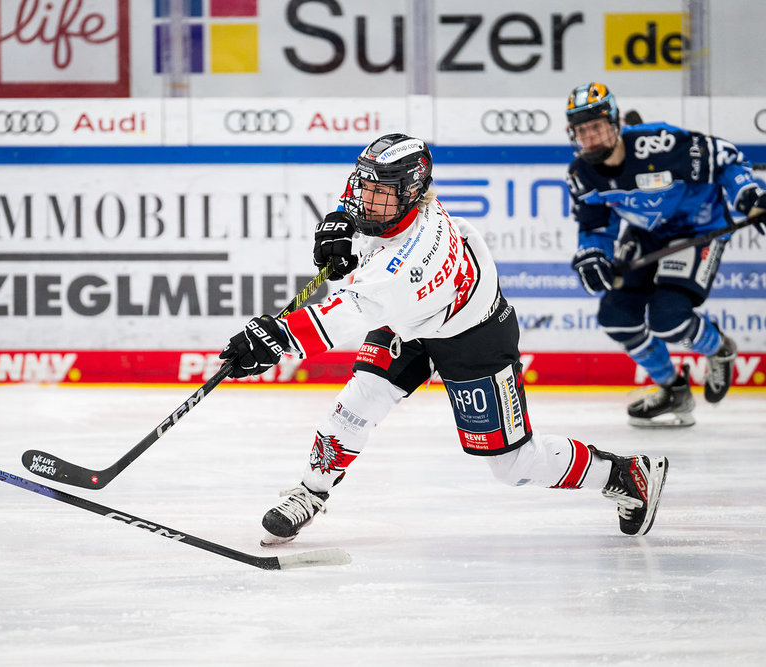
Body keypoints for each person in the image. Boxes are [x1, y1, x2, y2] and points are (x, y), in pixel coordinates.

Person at [218, 133, 669, 547]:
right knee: (359, 400)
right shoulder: (398, 203)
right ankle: (310, 493)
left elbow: (348, 312)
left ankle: (627, 475)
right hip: (411, 321)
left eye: (379, 192)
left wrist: (274, 339)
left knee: (513, 466)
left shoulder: (410, 263)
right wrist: (343, 225)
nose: (365, 199)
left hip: (473, 335)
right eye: (365, 186)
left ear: (411, 192)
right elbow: (361, 205)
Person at [564, 82, 766, 428]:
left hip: (697, 229)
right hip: (647, 234)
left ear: (616, 123)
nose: (591, 137)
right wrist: (593, 253)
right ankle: (673, 390)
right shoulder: (582, 173)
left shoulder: (658, 144)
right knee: (616, 316)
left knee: (667, 318)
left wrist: (749, 195)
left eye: (597, 126)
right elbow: (597, 225)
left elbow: (725, 159)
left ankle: (719, 348)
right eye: (583, 131)